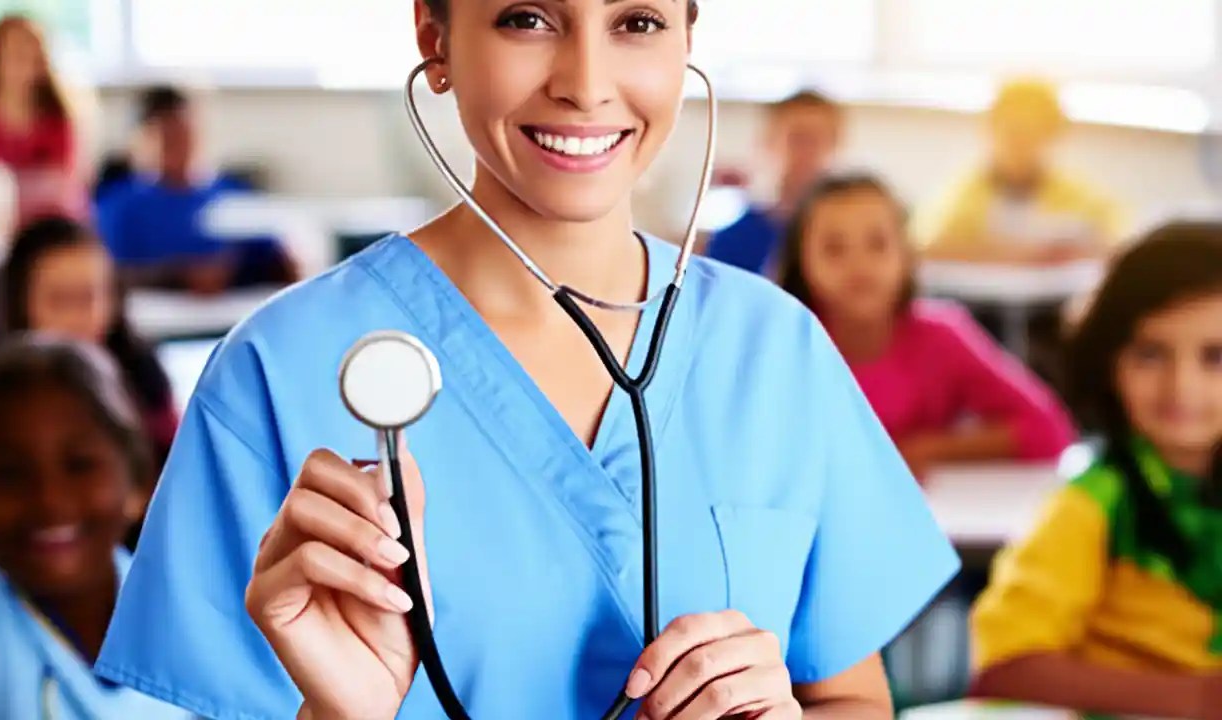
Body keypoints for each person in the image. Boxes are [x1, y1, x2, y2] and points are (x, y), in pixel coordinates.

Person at [96, 3, 958, 719]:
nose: (584, 84)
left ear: (689, 39)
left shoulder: (777, 352)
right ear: (434, 38)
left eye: (639, 22)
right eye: (527, 18)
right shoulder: (276, 375)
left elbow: (850, 697)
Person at [969, 222, 1222, 719]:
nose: (1182, 387)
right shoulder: (1092, 502)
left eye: (1215, 357)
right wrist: (1197, 698)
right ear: (1109, 361)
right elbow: (1005, 666)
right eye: (1151, 353)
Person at [0, 337, 192, 719]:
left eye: (80, 465)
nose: (49, 501)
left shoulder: (184, 614)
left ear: (140, 483)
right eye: (9, 474)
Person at [778, 173, 1076, 479]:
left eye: (878, 244)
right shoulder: (784, 346)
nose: (859, 264)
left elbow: (1050, 430)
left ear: (907, 255)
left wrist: (930, 449)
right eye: (834, 248)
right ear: (801, 261)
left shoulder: (942, 336)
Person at [2, 216, 179, 480]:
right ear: (22, 304)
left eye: (90, 297)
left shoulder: (142, 374)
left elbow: (178, 468)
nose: (78, 317)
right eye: (60, 300)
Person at [96, 85, 299, 295]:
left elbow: (273, 258)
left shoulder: (234, 196)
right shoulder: (119, 206)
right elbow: (107, 277)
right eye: (168, 138)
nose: (181, 147)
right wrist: (180, 276)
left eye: (185, 134)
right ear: (140, 141)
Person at [915, 78, 1123, 265]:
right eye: (1014, 132)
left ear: (1054, 134)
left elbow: (1117, 247)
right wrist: (1015, 254)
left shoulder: (1084, 198)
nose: (1022, 145)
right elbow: (926, 248)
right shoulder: (962, 197)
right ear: (992, 129)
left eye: (1034, 132)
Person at [0, 13, 90, 231]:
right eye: (15, 54)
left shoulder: (60, 114)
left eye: (30, 54)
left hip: (49, 224)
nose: (23, 64)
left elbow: (66, 182)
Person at [706, 90, 842, 276]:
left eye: (818, 140)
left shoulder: (853, 243)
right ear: (769, 142)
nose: (808, 152)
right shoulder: (733, 241)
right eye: (797, 138)